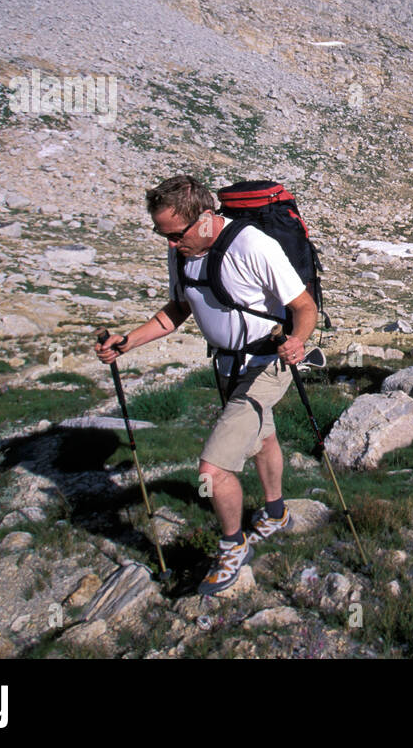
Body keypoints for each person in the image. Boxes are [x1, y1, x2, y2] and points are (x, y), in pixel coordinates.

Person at [94, 175, 317, 595]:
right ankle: (275, 513)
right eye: (163, 234)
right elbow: (178, 309)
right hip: (227, 364)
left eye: (176, 234)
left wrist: (298, 341)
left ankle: (233, 547)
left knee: (212, 471)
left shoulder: (254, 246)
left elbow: (304, 306)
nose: (171, 243)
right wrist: (127, 343)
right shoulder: (179, 253)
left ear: (206, 218)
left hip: (268, 361)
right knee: (261, 436)